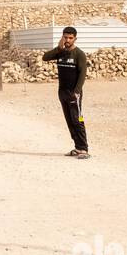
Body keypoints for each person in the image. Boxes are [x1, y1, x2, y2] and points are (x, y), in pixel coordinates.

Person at [41, 26, 89, 158]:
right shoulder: (60, 52)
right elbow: (45, 57)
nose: (67, 40)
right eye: (65, 37)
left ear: (75, 39)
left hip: (74, 94)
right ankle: (77, 148)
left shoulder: (79, 54)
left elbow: (82, 74)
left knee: (77, 120)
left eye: (70, 38)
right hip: (62, 93)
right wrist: (59, 48)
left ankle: (84, 149)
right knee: (69, 121)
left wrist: (77, 92)